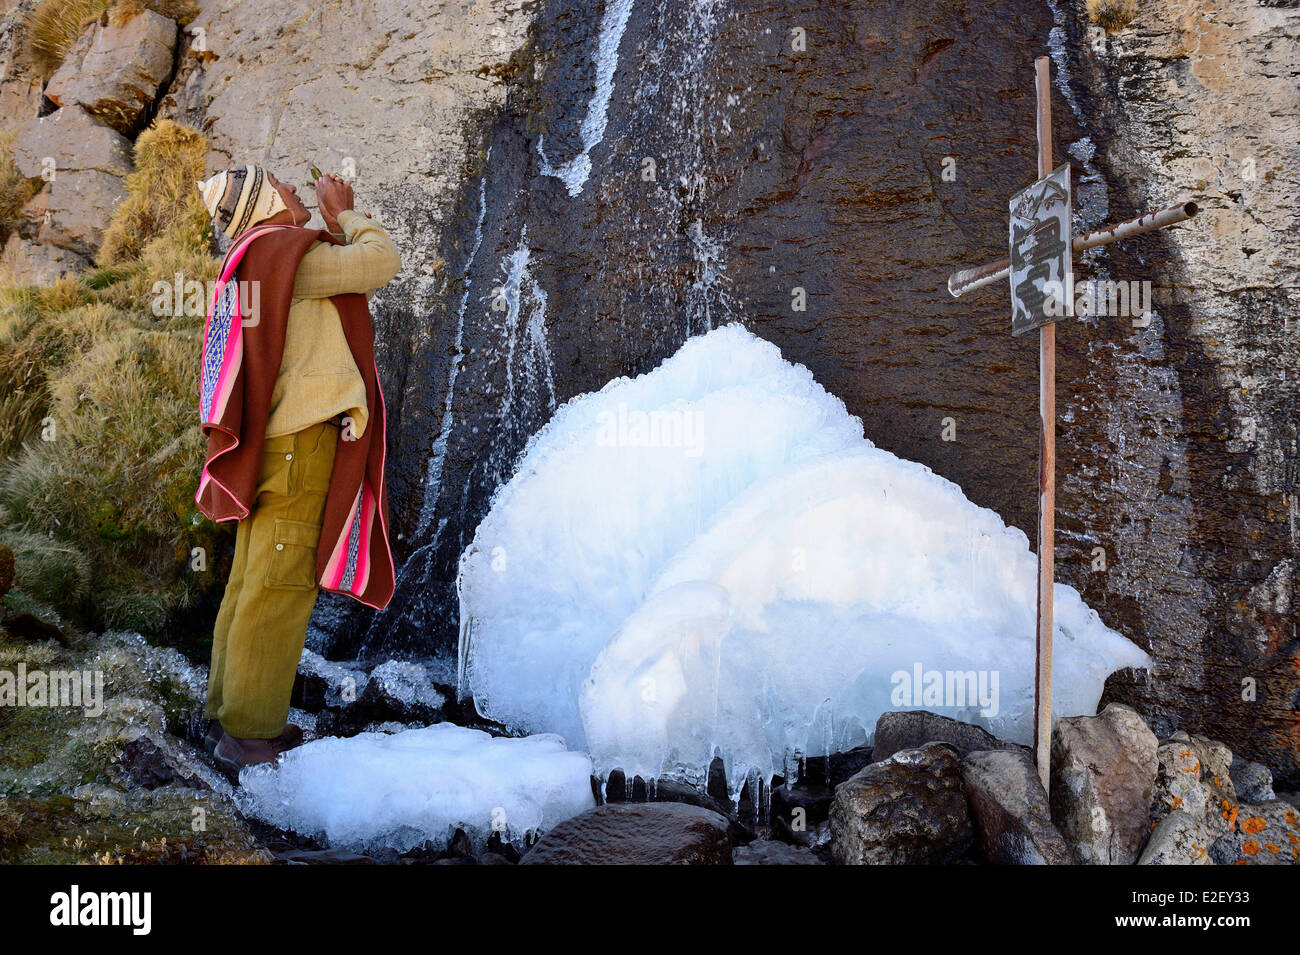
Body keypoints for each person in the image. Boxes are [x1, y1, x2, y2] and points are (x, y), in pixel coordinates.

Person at [193, 164, 401, 777]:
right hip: (300, 445)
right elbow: (377, 262)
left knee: (252, 579)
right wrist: (346, 216)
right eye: (280, 185)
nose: (293, 188)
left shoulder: (260, 262)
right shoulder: (285, 257)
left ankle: (228, 714)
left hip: (273, 446)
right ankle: (250, 736)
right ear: (264, 206)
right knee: (280, 584)